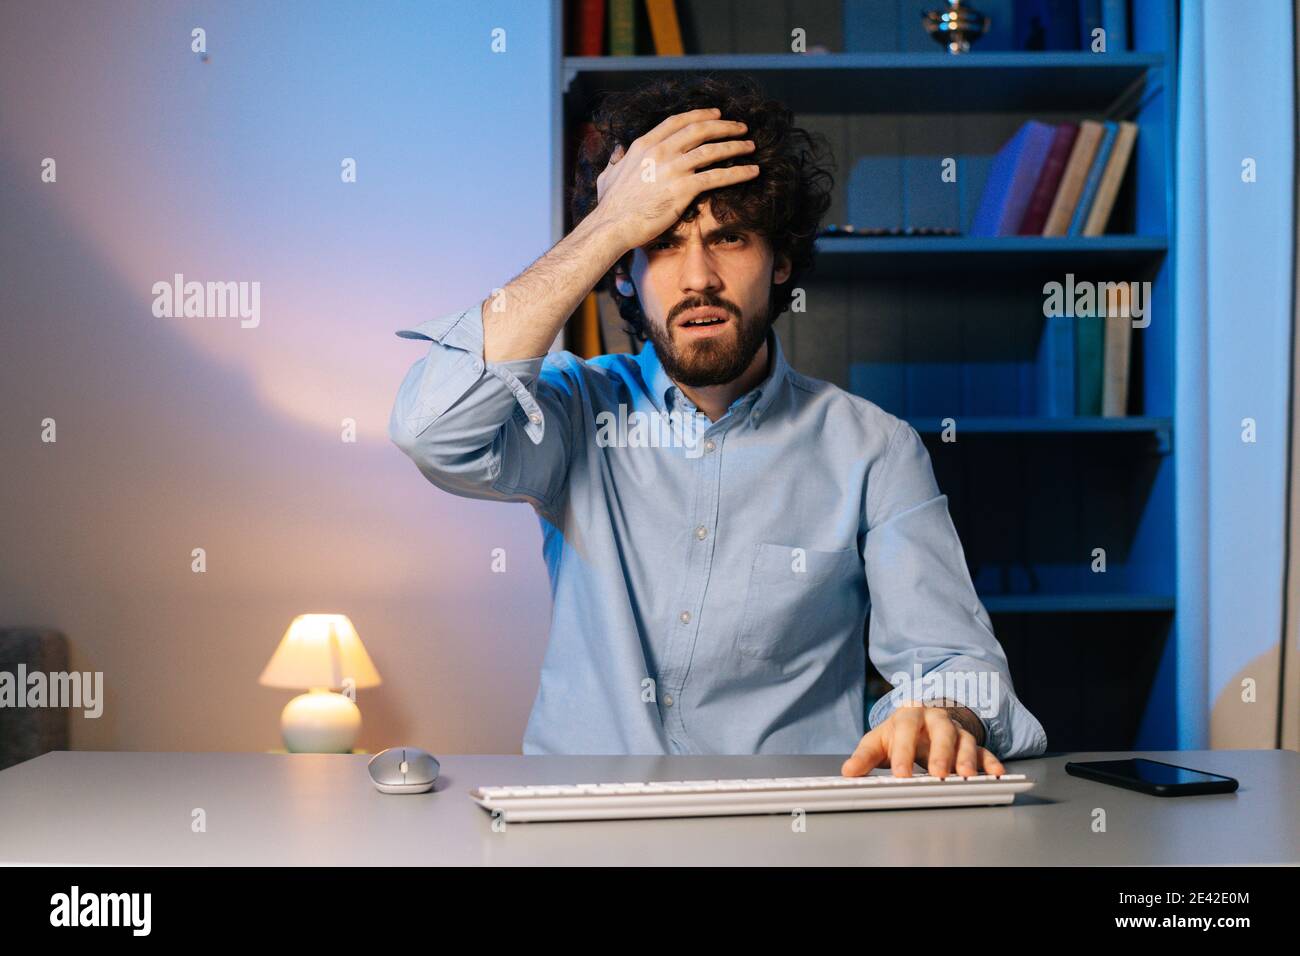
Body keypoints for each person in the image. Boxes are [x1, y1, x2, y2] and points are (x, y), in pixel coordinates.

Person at [389, 75, 1047, 776]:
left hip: (792, 834)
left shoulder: (873, 450)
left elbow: (955, 661)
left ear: (781, 260)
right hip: (588, 833)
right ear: (623, 273)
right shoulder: (573, 413)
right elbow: (433, 431)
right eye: (663, 242)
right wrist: (608, 226)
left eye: (729, 237)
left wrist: (939, 711)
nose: (698, 277)